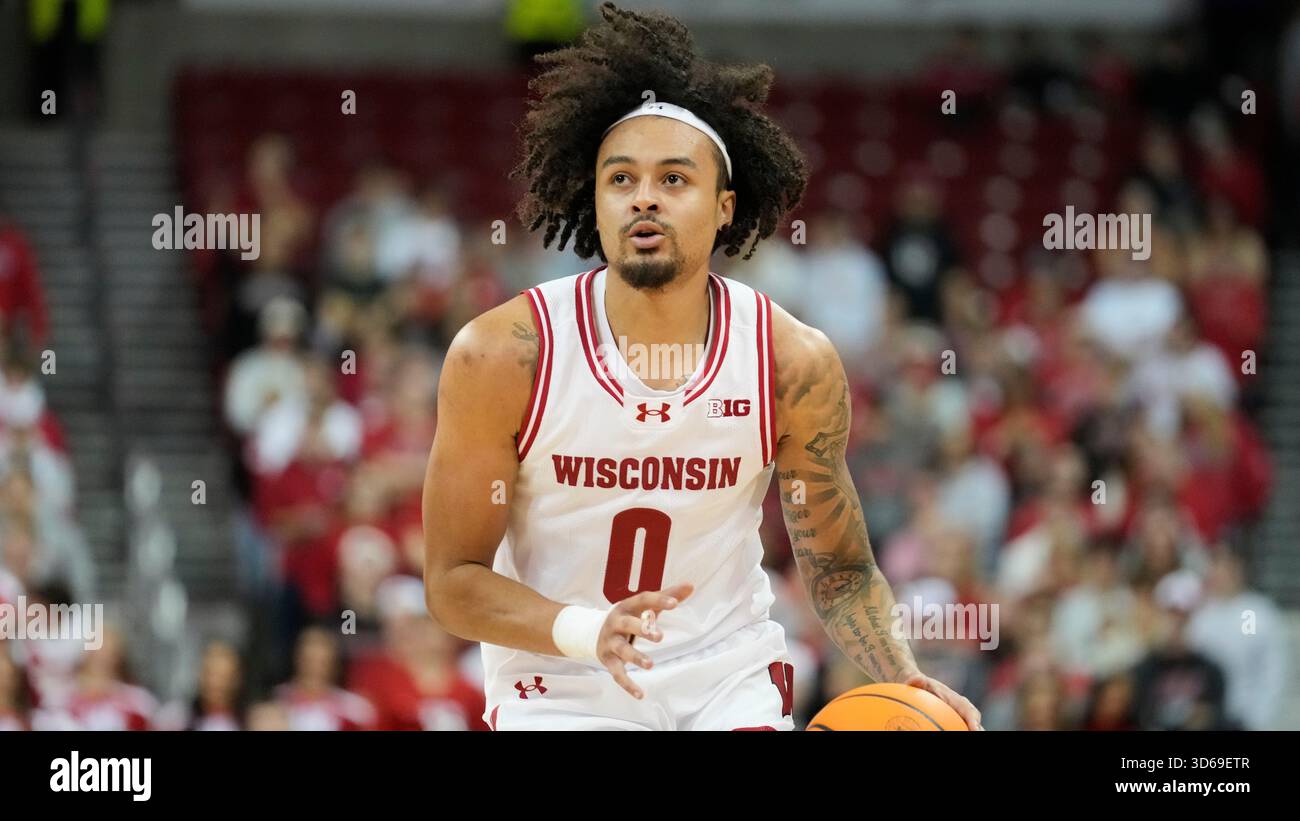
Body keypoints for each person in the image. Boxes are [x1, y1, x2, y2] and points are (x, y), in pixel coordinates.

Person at [421, 3, 979, 731]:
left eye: (673, 179)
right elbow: (451, 581)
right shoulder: (502, 354)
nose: (643, 195)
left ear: (723, 207)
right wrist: (588, 631)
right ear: (596, 200)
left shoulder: (789, 362)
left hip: (724, 674)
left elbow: (839, 570)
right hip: (560, 679)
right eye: (620, 179)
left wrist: (906, 679)